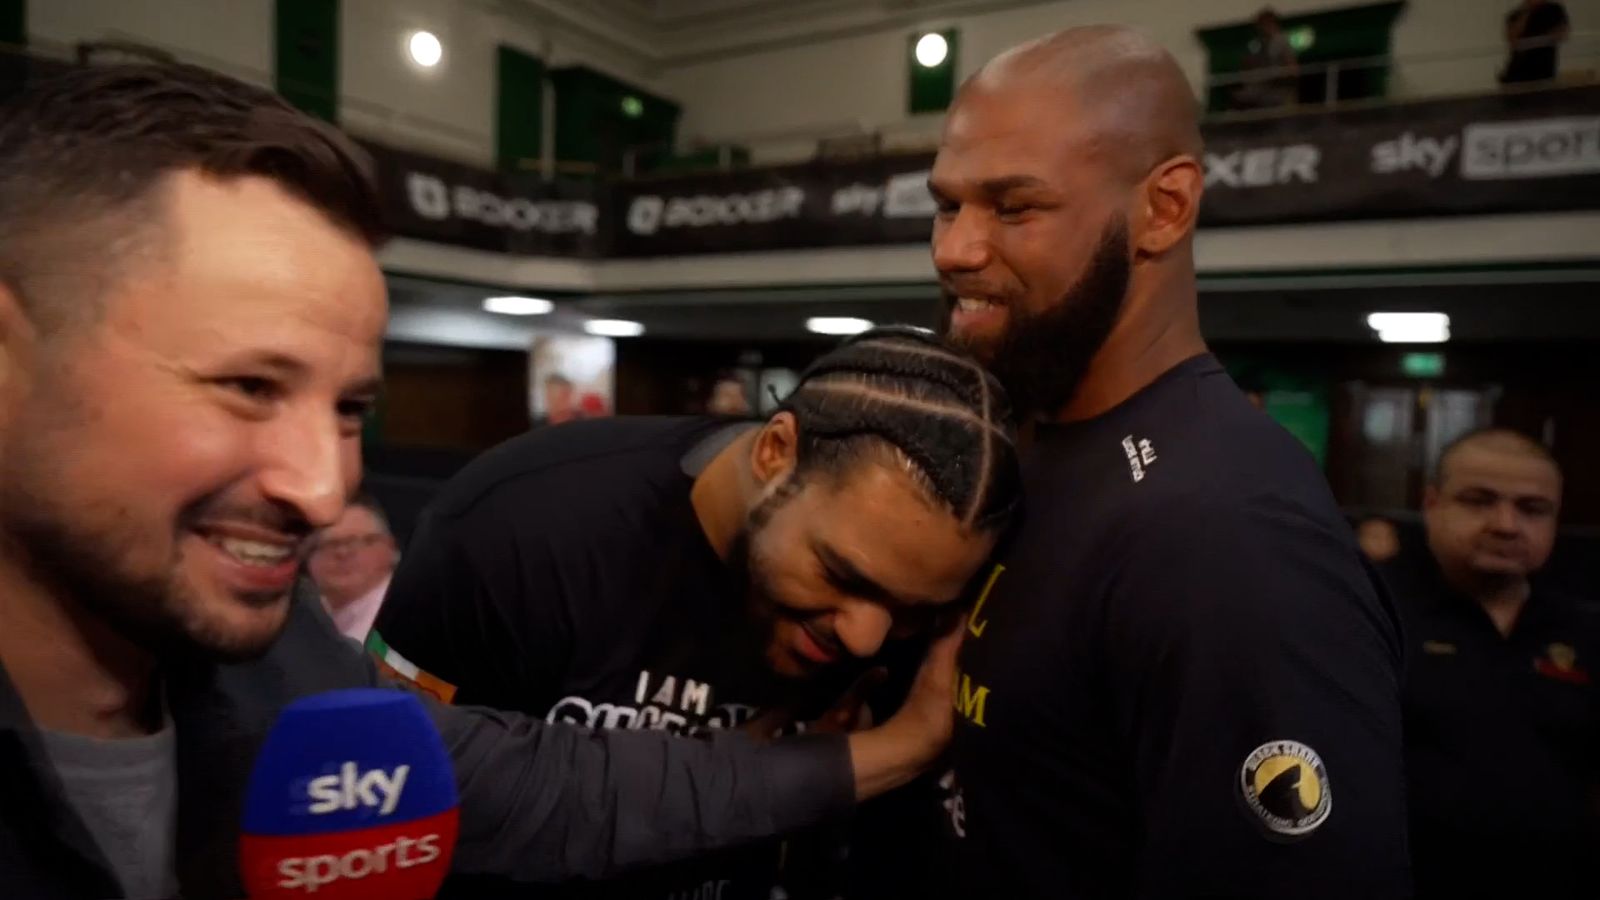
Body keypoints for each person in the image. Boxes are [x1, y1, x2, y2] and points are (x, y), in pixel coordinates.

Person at [0, 62, 958, 899]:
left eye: (347, 409)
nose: (325, 490)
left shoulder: (276, 669)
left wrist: (890, 750)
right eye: (248, 387)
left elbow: (548, 789)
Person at [927, 26, 1409, 898]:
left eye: (1014, 206)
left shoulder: (1226, 534)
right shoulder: (1026, 435)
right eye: (947, 204)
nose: (954, 248)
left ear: (1166, 208)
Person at [373, 326, 1021, 899]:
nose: (865, 636)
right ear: (776, 453)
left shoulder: (900, 622)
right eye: (840, 575)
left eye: (911, 613)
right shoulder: (516, 528)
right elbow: (389, 792)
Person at [1385, 429, 1597, 898]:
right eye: (1479, 501)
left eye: (1532, 509)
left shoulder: (1584, 632)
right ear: (1432, 503)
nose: (1506, 524)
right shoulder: (1375, 617)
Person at [307, 493, 399, 642]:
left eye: (356, 542)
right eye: (329, 544)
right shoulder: (300, 619)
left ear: (390, 547)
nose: (342, 553)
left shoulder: (408, 616)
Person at [1235, 7, 1299, 109]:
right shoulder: (1260, 43)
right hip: (1264, 91)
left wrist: (1276, 75)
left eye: (1262, 25)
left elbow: (1293, 68)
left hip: (1280, 91)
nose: (1260, 28)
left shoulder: (1281, 41)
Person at [1501, 0, 1570, 85]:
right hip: (1517, 74)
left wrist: (1547, 38)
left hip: (1544, 71)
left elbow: (1562, 33)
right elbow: (1512, 40)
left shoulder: (1554, 10)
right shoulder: (1516, 15)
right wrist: (1526, 11)